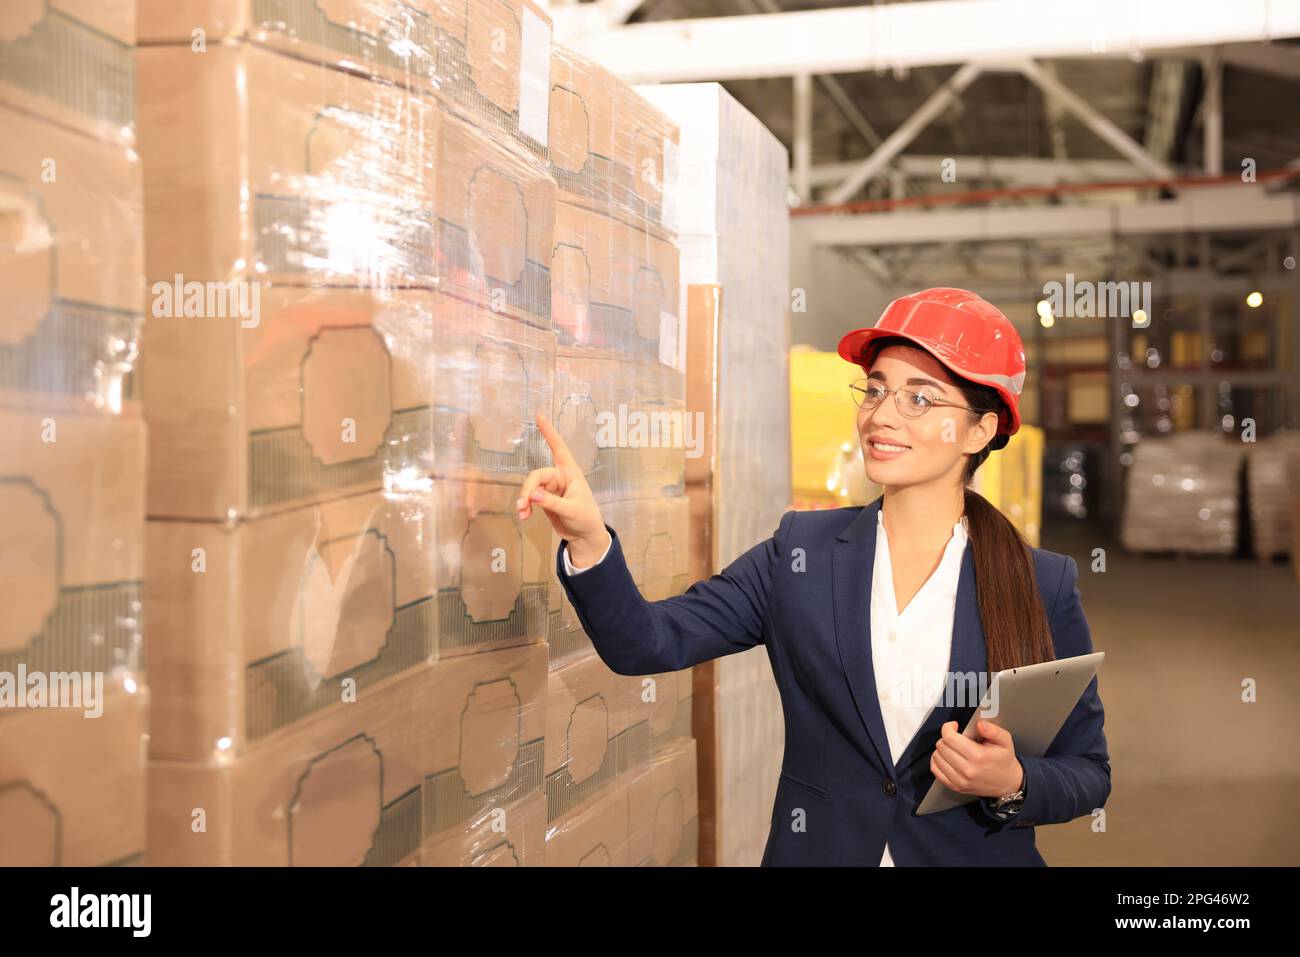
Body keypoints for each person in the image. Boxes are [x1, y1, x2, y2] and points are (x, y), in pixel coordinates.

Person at [517, 287, 1111, 866]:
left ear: (981, 431)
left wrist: (1011, 780)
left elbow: (1086, 773)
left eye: (919, 399)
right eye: (875, 390)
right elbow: (646, 642)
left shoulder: (1039, 583)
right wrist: (589, 538)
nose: (881, 415)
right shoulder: (800, 555)